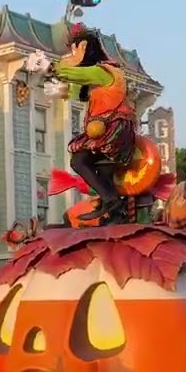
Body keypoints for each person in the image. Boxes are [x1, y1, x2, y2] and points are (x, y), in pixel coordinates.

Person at [37, 23, 135, 223]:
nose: (71, 54)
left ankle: (111, 200)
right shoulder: (99, 76)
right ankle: (114, 211)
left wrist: (51, 66)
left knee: (79, 161)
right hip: (105, 129)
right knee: (100, 170)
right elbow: (77, 93)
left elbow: (71, 73)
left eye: (74, 49)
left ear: (84, 47)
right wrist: (58, 91)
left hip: (112, 130)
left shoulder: (103, 71)